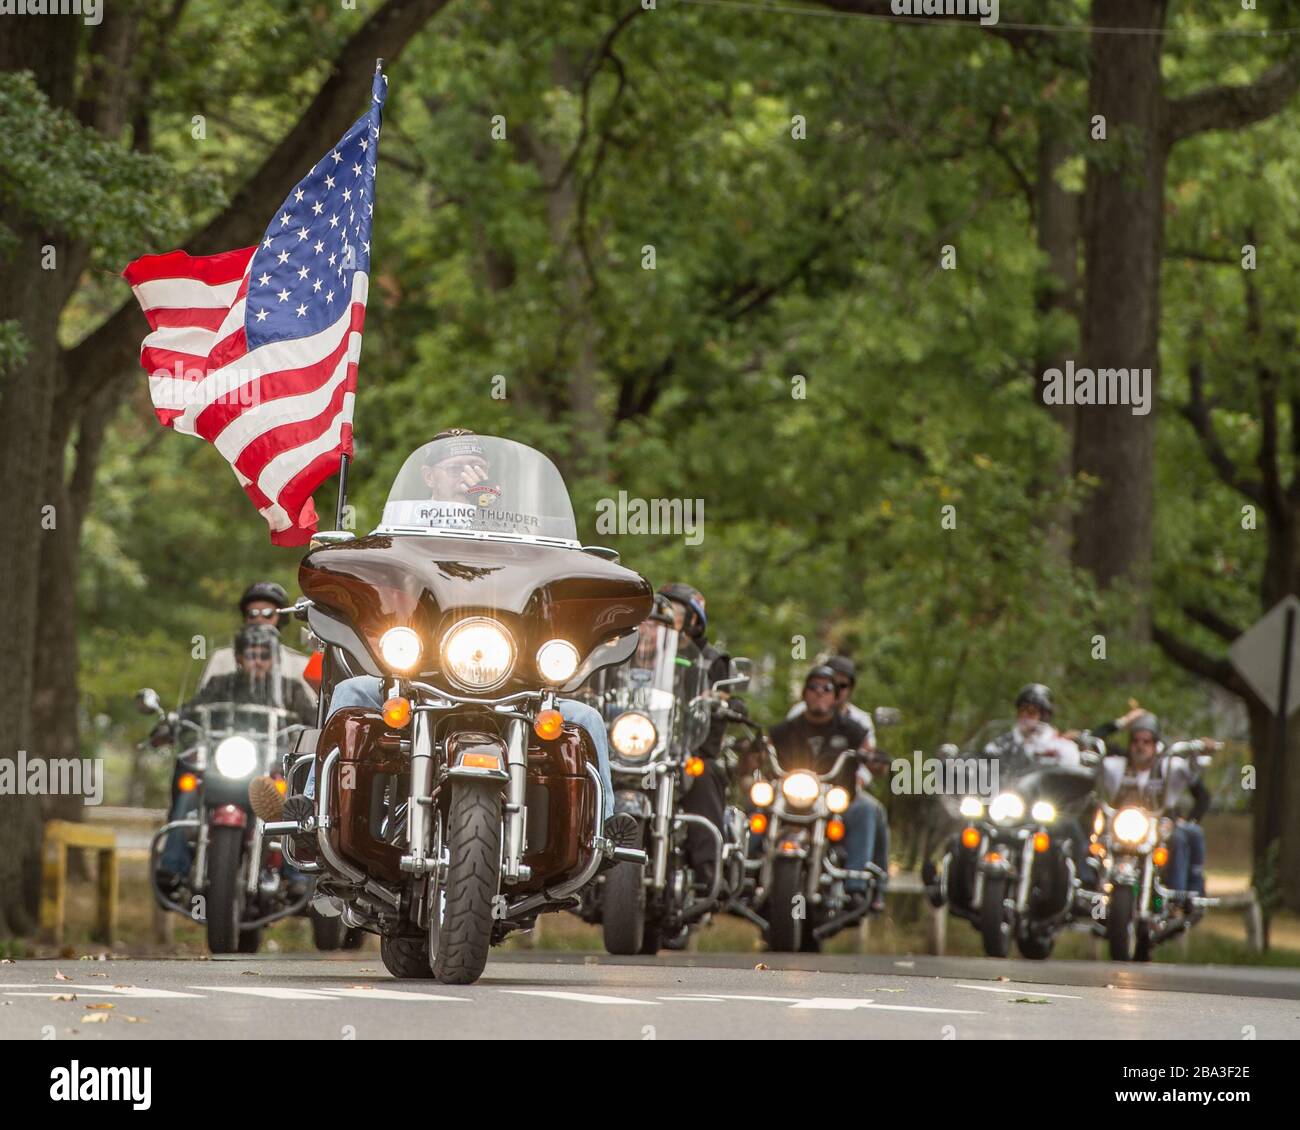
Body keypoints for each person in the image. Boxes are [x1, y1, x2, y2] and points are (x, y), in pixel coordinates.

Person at [250, 428, 638, 853]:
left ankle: (603, 837)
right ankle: (308, 813)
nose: (467, 476)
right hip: (415, 680)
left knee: (589, 719)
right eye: (455, 468)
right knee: (349, 691)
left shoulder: (519, 537)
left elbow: (551, 572)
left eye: (477, 470)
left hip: (516, 685)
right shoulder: (404, 530)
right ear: (429, 475)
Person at [157, 625, 315, 890]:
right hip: (227, 762)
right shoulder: (222, 684)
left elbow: (312, 719)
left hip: (272, 765)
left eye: (264, 655)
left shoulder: (291, 689)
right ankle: (172, 867)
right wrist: (173, 721)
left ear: (274, 659)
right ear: (239, 657)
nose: (257, 661)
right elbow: (195, 708)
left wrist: (314, 730)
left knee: (291, 799)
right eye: (250, 654)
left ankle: (296, 874)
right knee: (191, 791)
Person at [767, 665, 889, 910]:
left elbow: (871, 756)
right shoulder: (787, 727)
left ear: (837, 697)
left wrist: (876, 761)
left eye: (827, 689)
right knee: (758, 808)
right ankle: (740, 877)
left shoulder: (854, 728)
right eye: (813, 687)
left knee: (866, 810)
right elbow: (764, 749)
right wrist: (749, 751)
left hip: (837, 798)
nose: (819, 693)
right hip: (793, 797)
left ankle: (857, 885)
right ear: (803, 693)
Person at [659, 582, 736, 896]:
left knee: (704, 774)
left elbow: (730, 695)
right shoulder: (642, 648)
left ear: (694, 619)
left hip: (692, 747)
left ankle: (709, 871)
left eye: (676, 611)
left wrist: (723, 700)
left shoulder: (711, 659)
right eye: (664, 610)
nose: (669, 618)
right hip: (642, 745)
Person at [1099, 713, 1210, 900]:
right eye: (1135, 741)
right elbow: (1095, 742)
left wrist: (1200, 752)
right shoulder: (1116, 766)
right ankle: (1094, 893)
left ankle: (1177, 899)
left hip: (1161, 827)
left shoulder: (1170, 766)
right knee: (1097, 842)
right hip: (1123, 828)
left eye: (1146, 741)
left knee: (1178, 838)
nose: (1140, 746)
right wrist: (1122, 721)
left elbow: (1193, 771)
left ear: (1155, 744)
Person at [198, 581, 317, 706]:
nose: (259, 620)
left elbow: (309, 718)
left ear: (281, 619)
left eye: (268, 614)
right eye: (252, 614)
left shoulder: (299, 664)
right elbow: (201, 707)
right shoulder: (221, 658)